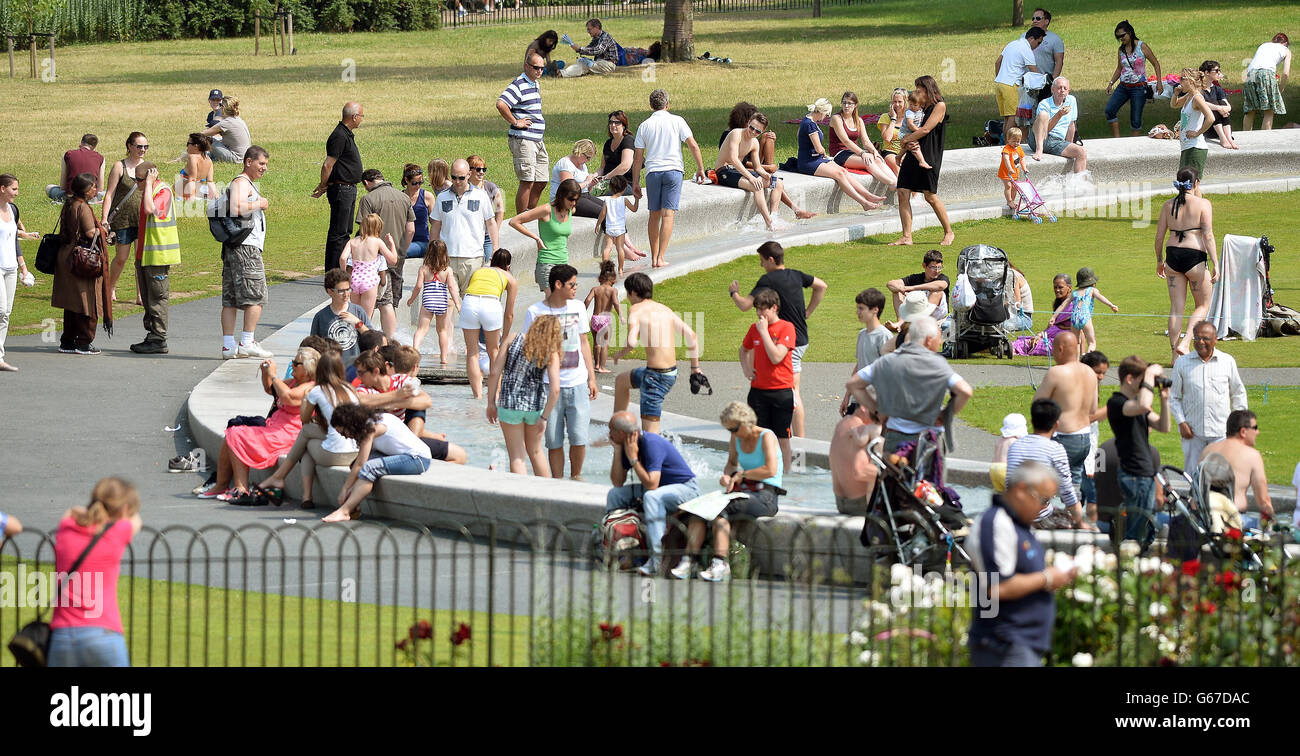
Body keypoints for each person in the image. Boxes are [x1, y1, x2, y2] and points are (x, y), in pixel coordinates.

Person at [967, 460, 1078, 667]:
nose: (1045, 507)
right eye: (1043, 499)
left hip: (1021, 643)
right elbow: (997, 588)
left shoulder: (1020, 526)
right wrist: (1047, 578)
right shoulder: (996, 523)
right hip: (1004, 644)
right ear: (1020, 490)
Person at [672, 401, 782, 582]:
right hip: (744, 491)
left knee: (721, 511)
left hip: (765, 495)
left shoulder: (766, 436)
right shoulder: (736, 438)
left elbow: (770, 469)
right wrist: (728, 476)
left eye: (735, 429)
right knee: (700, 511)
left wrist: (742, 475)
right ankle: (689, 561)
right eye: (729, 430)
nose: (733, 433)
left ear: (746, 422)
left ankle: (720, 563)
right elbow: (731, 463)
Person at [729, 241, 825, 439]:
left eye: (762, 261)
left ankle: (799, 440)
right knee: (790, 388)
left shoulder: (768, 280)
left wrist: (734, 293)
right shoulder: (796, 275)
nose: (761, 265)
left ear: (771, 260)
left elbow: (745, 305)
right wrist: (807, 312)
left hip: (786, 340)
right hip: (800, 337)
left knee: (792, 391)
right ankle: (787, 433)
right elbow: (821, 286)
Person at [47, 477, 143, 667]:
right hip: (103, 632)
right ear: (124, 509)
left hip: (63, 637)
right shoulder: (117, 532)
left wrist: (94, 509)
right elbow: (136, 520)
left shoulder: (67, 528)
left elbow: (72, 511)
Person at [202, 348, 318, 503]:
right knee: (232, 431)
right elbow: (271, 389)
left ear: (309, 369)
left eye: (296, 363)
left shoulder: (310, 387)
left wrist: (273, 375)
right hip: (275, 429)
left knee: (237, 434)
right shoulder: (293, 382)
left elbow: (288, 397)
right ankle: (222, 485)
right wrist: (265, 373)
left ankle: (241, 489)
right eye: (292, 361)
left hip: (288, 435)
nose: (292, 365)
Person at [847, 316, 973, 454]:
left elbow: (854, 384)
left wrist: (877, 409)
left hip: (895, 435)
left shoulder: (888, 361)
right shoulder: (937, 364)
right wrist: (945, 414)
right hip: (929, 439)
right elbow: (965, 391)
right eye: (939, 338)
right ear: (928, 340)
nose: (940, 342)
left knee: (892, 467)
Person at [255, 350, 362, 510]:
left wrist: (306, 397)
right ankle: (300, 495)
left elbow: (304, 419)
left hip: (335, 455)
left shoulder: (317, 390)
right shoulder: (349, 389)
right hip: (355, 453)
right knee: (309, 439)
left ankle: (286, 482)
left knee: (306, 436)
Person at [524, 264, 598, 480]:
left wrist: (592, 378)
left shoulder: (578, 307)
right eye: (572, 284)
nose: (576, 288)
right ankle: (557, 482)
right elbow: (528, 349)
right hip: (548, 386)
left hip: (577, 383)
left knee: (579, 437)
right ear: (558, 284)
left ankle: (576, 477)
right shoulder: (535, 311)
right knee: (553, 441)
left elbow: (584, 343)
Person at [605, 411, 702, 576]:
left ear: (621, 433)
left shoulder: (651, 443)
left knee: (651, 497)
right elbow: (618, 481)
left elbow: (652, 484)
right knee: (615, 494)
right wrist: (618, 450)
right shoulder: (626, 444)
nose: (608, 435)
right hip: (660, 489)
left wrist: (633, 459)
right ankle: (618, 549)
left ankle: (658, 560)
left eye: (611, 430)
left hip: (685, 488)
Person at [611, 272, 701, 434]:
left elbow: (632, 342)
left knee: (651, 437)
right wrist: (695, 369)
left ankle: (651, 446)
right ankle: (617, 429)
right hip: (669, 373)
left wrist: (619, 354)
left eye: (628, 294)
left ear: (633, 292)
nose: (628, 298)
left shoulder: (635, 309)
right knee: (621, 381)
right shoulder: (665, 309)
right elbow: (692, 336)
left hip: (655, 378)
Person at [322, 404, 435, 523]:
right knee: (354, 465)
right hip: (402, 455)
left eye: (344, 433)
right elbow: (358, 462)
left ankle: (344, 511)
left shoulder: (370, 428)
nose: (346, 437)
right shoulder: (371, 420)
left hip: (418, 459)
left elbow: (361, 464)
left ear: (350, 425)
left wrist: (344, 489)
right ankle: (354, 505)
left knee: (369, 468)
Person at [632, 89, 706, 268]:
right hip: (673, 171)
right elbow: (693, 145)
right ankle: (661, 257)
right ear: (667, 104)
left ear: (651, 105)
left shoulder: (644, 125)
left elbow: (638, 158)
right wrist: (700, 168)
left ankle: (653, 257)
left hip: (653, 172)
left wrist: (635, 182)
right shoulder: (677, 120)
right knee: (668, 215)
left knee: (654, 216)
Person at [1107, 355, 1172, 546]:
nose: (1146, 384)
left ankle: (1134, 556)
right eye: (1142, 380)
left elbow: (1164, 426)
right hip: (1134, 473)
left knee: (1144, 530)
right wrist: (1150, 373)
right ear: (1129, 379)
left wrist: (1164, 399)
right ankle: (1129, 558)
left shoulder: (1137, 405)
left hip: (1145, 473)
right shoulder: (1117, 403)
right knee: (1135, 533)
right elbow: (1143, 405)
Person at [1154, 168, 1218, 363]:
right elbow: (1207, 235)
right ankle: (1186, 341)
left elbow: (1159, 237)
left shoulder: (1168, 205)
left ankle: (1175, 355)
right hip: (1194, 256)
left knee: (1176, 308)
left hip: (1172, 255)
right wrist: (1216, 263)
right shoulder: (1203, 204)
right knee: (1203, 305)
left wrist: (1159, 260)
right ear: (1196, 183)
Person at [486, 314, 561, 477]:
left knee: (517, 457)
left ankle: (521, 491)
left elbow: (494, 373)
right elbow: (555, 389)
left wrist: (491, 402)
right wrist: (544, 417)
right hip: (535, 406)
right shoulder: (550, 351)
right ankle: (548, 491)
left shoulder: (513, 338)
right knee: (536, 452)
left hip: (509, 404)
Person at [1033, 332, 1101, 509]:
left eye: (1053, 349)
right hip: (1084, 438)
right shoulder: (1090, 372)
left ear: (1061, 349)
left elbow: (1037, 404)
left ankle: (1038, 515)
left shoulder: (1056, 372)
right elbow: (1093, 409)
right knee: (1073, 483)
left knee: (1042, 478)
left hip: (1063, 437)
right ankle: (1073, 516)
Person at [1171, 321, 1247, 476]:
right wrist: (1181, 422)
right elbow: (1173, 397)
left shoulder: (1227, 361)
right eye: (1197, 338)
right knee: (1193, 478)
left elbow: (1238, 393)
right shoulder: (1182, 363)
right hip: (1193, 433)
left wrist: (1238, 425)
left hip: (1221, 433)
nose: (1200, 342)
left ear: (1215, 339)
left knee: (1221, 478)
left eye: (1205, 338)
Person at [220, 146, 272, 360]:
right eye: (261, 163)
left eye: (266, 164)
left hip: (235, 248)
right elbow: (236, 208)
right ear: (248, 161)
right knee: (256, 296)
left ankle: (228, 346)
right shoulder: (241, 182)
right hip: (246, 248)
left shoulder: (243, 183)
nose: (264, 168)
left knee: (231, 298)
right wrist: (260, 203)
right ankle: (247, 342)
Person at [890, 76, 955, 247]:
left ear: (928, 89)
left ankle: (949, 232)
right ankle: (906, 236)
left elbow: (926, 129)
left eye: (919, 89)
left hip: (929, 154)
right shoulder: (918, 107)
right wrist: (903, 150)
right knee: (902, 191)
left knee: (930, 196)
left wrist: (906, 139)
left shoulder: (939, 106)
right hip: (913, 151)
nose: (916, 92)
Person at [51, 173, 110, 356]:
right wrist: (104, 230)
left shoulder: (69, 203)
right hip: (81, 259)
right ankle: (84, 342)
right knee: (87, 301)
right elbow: (91, 233)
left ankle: (68, 341)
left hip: (66, 256)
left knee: (72, 303)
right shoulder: (82, 207)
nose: (96, 190)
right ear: (85, 190)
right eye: (93, 187)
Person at [1006, 398, 1087, 529]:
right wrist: (1081, 523)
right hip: (1038, 517)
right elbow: (1067, 491)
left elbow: (1008, 483)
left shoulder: (1015, 445)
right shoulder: (1055, 449)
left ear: (1032, 422)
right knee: (1067, 519)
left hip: (1012, 513)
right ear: (1056, 424)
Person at [740, 287, 796, 471]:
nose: (759, 313)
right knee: (757, 435)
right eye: (757, 309)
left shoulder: (786, 328)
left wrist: (764, 332)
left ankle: (785, 474)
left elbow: (776, 357)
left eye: (762, 309)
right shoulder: (753, 329)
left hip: (781, 391)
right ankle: (760, 471)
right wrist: (747, 369)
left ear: (774, 308)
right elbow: (743, 350)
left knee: (782, 438)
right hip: (758, 391)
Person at [794, 98, 885, 212]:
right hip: (809, 162)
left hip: (816, 158)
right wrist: (823, 152)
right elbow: (819, 148)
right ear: (822, 111)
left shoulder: (807, 119)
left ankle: (868, 195)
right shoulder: (810, 125)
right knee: (839, 174)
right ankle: (864, 202)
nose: (825, 117)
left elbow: (799, 136)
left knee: (844, 171)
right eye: (826, 115)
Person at [356, 168, 415, 338]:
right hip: (397, 256)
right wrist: (401, 251)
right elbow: (411, 229)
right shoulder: (404, 197)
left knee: (371, 302)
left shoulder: (368, 199)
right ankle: (390, 339)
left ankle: (365, 338)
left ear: (366, 183)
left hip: (373, 259)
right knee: (391, 301)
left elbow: (363, 230)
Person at [127, 162, 178, 355]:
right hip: (146, 254)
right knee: (148, 299)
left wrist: (148, 183)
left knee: (157, 298)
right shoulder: (148, 191)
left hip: (158, 255)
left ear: (151, 177)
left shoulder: (162, 191)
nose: (137, 184)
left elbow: (150, 209)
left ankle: (159, 339)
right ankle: (152, 335)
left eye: (139, 180)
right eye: (135, 179)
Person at [431, 158, 499, 297]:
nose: (457, 181)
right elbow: (436, 225)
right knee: (449, 302)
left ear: (469, 174)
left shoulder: (481, 196)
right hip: (447, 258)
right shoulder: (442, 197)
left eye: (461, 178)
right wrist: (432, 252)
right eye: (454, 177)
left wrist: (495, 248)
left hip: (473, 257)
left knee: (470, 300)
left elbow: (491, 223)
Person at [459, 249, 519, 399]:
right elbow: (509, 314)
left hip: (469, 302)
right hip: (490, 304)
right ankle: (495, 395)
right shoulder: (510, 278)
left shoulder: (479, 271)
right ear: (508, 266)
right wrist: (505, 339)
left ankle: (477, 396)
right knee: (494, 352)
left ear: (492, 262)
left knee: (472, 352)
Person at [312, 102, 364, 273]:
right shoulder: (340, 136)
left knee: (345, 231)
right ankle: (333, 272)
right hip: (342, 189)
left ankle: (340, 269)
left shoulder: (345, 134)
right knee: (338, 233)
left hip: (348, 188)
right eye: (361, 116)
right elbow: (327, 165)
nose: (362, 119)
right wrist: (323, 185)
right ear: (354, 117)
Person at [714, 110, 788, 230]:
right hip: (723, 171)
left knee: (777, 182)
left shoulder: (754, 143)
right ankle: (769, 223)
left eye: (757, 131)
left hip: (737, 171)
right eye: (751, 128)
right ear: (748, 123)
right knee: (756, 185)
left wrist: (766, 175)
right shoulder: (736, 133)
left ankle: (774, 217)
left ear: (762, 131)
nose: (753, 132)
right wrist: (751, 177)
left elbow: (757, 167)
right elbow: (733, 159)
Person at [1200, 410, 1275, 529]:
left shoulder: (1208, 450)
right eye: (1255, 428)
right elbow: (1263, 501)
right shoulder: (1252, 455)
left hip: (1202, 519)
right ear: (1243, 431)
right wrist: (1274, 525)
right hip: (1233, 520)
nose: (1258, 432)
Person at [498, 51, 548, 214]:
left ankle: (529, 214)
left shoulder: (534, 83)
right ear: (526, 66)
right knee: (527, 181)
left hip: (537, 140)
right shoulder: (519, 84)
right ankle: (520, 219)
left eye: (542, 68)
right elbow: (501, 104)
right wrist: (515, 122)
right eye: (536, 68)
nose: (539, 71)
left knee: (541, 180)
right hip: (524, 140)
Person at [511, 176, 579, 293]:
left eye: (576, 200)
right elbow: (514, 221)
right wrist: (536, 238)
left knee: (564, 300)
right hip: (547, 263)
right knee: (553, 300)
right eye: (571, 199)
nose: (573, 203)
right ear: (561, 195)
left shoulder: (571, 211)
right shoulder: (547, 210)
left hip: (563, 262)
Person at [101, 132, 146, 304]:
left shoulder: (148, 167)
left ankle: (140, 294)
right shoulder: (119, 166)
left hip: (142, 219)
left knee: (141, 260)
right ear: (129, 146)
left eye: (146, 146)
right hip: (123, 220)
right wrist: (104, 218)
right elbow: (109, 194)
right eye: (139, 146)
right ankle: (110, 287)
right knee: (121, 258)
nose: (143, 150)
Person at [0, 174, 38, 371]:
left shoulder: (13, 209)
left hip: (11, 268)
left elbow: (14, 240)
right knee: (0, 311)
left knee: (6, 313)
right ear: (2, 188)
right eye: (14, 189)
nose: (17, 193)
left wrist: (23, 267)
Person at [340, 213, 399, 328]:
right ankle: (366, 338)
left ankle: (356, 337)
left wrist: (344, 274)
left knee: (356, 318)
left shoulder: (352, 241)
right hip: (369, 281)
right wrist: (392, 244)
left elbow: (343, 258)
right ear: (378, 227)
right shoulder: (377, 241)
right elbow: (393, 260)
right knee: (366, 320)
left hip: (354, 280)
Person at [311, 269, 371, 381]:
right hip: (331, 372)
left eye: (348, 289)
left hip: (355, 371)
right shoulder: (321, 317)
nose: (346, 294)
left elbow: (372, 339)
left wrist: (358, 323)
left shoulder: (358, 311)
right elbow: (313, 348)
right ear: (330, 291)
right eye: (341, 291)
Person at [827, 91, 897, 187]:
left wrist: (874, 151)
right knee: (868, 161)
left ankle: (896, 182)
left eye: (849, 103)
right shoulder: (836, 118)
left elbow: (866, 141)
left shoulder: (858, 120)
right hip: (839, 153)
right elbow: (846, 141)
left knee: (877, 159)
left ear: (855, 105)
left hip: (852, 152)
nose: (846, 106)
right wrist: (862, 153)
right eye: (844, 103)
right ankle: (891, 183)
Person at [1105, 20, 1162, 138]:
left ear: (1130, 33)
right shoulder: (1121, 50)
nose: (1121, 38)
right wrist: (1111, 83)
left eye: (1122, 35)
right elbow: (1119, 68)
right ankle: (1117, 140)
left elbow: (1156, 63)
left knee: (1136, 119)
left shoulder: (1142, 46)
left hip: (1139, 88)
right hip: (1123, 86)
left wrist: (1159, 82)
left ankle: (1133, 143)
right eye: (1118, 37)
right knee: (1110, 110)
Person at [838, 288, 890, 416]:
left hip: (875, 400)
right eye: (858, 308)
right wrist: (847, 396)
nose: (858, 312)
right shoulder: (862, 334)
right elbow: (859, 365)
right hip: (858, 397)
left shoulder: (883, 336)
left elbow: (889, 370)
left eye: (861, 308)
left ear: (875, 310)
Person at [409, 240, 461, 362]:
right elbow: (451, 287)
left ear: (428, 252)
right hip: (441, 303)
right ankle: (444, 358)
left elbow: (418, 286)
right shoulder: (447, 270)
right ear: (445, 253)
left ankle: (414, 352)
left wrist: (412, 299)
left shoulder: (423, 269)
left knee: (421, 330)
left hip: (428, 302)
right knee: (442, 331)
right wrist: (457, 303)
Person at [830, 398, 881, 515]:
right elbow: (860, 471)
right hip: (859, 504)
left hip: (840, 502)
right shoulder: (861, 429)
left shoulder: (842, 424)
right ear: (864, 407)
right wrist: (889, 473)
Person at [1028, 77, 1087, 173]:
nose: (1062, 90)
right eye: (1059, 88)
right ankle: (1039, 149)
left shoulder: (1071, 101)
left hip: (1056, 141)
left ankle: (1079, 181)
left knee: (1081, 152)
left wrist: (1069, 144)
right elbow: (1045, 131)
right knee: (1043, 114)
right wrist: (1059, 114)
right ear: (1052, 90)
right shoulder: (1044, 104)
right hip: (1038, 138)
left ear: (1068, 91)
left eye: (1065, 88)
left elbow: (1071, 125)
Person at [994, 26, 1044, 138]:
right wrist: (1045, 83)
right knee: (1013, 119)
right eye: (1038, 42)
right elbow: (1034, 71)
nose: (1038, 46)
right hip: (1011, 85)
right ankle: (1009, 145)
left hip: (999, 84)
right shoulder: (1026, 50)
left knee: (1007, 119)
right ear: (1031, 39)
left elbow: (997, 63)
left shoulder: (1011, 44)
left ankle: (1005, 144)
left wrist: (1001, 78)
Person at [1171, 69, 1216, 183]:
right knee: (1184, 184)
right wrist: (1175, 94)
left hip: (1195, 148)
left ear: (1190, 81)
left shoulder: (1197, 98)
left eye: (1182, 79)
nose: (1179, 81)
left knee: (1191, 185)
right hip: (1187, 147)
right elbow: (1174, 104)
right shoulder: (1189, 96)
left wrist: (1197, 133)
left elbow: (1210, 118)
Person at [886, 249, 949, 329]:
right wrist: (901, 289)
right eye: (933, 267)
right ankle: (901, 323)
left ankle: (916, 324)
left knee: (936, 292)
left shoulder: (942, 278)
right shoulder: (915, 278)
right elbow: (890, 284)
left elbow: (941, 286)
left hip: (936, 313)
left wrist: (911, 288)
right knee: (897, 291)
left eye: (939, 267)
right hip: (917, 309)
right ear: (924, 265)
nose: (937, 271)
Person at [1242, 33, 1291, 131]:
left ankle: (1245, 137)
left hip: (1250, 74)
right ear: (1285, 43)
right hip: (1266, 73)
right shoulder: (1286, 50)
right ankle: (1265, 138)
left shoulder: (1263, 45)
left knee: (1250, 109)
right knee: (1269, 110)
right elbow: (1286, 73)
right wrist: (1281, 89)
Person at [595, 174, 641, 275]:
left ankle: (605, 269)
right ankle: (620, 269)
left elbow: (602, 214)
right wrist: (637, 199)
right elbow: (634, 209)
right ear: (624, 188)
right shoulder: (624, 200)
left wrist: (597, 224)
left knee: (608, 248)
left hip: (609, 228)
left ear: (610, 188)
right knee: (620, 248)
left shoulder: (607, 200)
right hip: (620, 229)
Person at [1067, 266, 1117, 356]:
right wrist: (1111, 305)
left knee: (1076, 342)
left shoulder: (1075, 292)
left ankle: (1076, 361)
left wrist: (1054, 316)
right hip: (1085, 317)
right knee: (1092, 343)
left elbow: (1064, 304)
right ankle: (1089, 359)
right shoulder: (1092, 290)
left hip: (1074, 318)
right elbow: (1101, 297)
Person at [549, 139, 603, 217]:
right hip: (568, 200)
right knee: (602, 212)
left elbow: (586, 189)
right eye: (588, 157)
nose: (588, 160)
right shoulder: (566, 164)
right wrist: (587, 182)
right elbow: (569, 190)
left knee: (609, 208)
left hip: (583, 195)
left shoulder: (582, 165)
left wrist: (591, 184)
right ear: (580, 153)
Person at [467, 154, 505, 263]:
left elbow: (500, 209)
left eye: (484, 169)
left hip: (487, 236)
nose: (481, 172)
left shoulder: (490, 187)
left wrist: (495, 230)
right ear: (469, 171)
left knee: (489, 263)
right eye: (478, 169)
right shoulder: (463, 188)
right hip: (470, 235)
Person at [1022, 8, 1065, 102]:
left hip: (1045, 83)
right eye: (1033, 18)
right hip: (1027, 81)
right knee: (1026, 108)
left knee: (1043, 107)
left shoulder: (1055, 39)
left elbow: (1059, 61)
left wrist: (1053, 81)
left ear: (1046, 21)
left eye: (1038, 18)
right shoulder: (1025, 36)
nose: (1034, 21)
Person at [46, 134, 104, 203]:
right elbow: (100, 188)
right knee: (107, 192)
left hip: (71, 197)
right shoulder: (100, 158)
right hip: (91, 197)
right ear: (95, 147)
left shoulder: (67, 154)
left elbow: (63, 186)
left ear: (81, 143)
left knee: (49, 188)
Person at [584, 260, 618, 372]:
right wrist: (621, 315)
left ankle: (597, 365)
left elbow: (587, 300)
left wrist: (583, 311)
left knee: (596, 343)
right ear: (613, 280)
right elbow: (616, 303)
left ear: (599, 279)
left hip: (595, 319)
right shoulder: (613, 290)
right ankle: (602, 367)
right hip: (605, 319)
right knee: (604, 344)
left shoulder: (595, 289)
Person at [1199, 61, 1240, 149]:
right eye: (1217, 71)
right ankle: (1223, 139)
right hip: (1206, 127)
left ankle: (1229, 138)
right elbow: (1201, 103)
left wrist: (1222, 108)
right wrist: (1218, 108)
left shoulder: (1217, 89)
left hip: (1221, 127)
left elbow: (1228, 106)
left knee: (1221, 104)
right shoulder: (1199, 89)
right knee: (1215, 106)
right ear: (1207, 72)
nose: (1219, 73)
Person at [202, 96, 251, 163]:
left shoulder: (226, 122)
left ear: (223, 107)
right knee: (217, 139)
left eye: (220, 105)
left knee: (207, 139)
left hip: (236, 158)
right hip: (244, 157)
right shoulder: (238, 119)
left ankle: (199, 156)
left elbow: (203, 134)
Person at [600, 110, 637, 195]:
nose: (613, 125)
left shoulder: (628, 140)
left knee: (596, 194)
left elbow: (625, 166)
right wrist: (594, 176)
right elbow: (602, 168)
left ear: (623, 125)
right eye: (611, 122)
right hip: (608, 183)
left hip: (625, 184)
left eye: (617, 123)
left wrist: (606, 178)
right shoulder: (608, 143)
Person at [402, 163, 435, 259]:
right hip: (403, 240)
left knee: (400, 251)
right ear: (406, 180)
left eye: (420, 182)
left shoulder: (427, 196)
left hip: (422, 241)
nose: (418, 186)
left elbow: (435, 223)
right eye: (414, 183)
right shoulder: (400, 197)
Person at [899, 91, 934, 170]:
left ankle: (898, 156)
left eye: (915, 105)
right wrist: (918, 131)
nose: (912, 107)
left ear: (920, 105)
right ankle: (921, 161)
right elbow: (910, 125)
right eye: (910, 104)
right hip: (905, 132)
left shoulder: (920, 110)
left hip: (911, 132)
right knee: (914, 145)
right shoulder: (910, 112)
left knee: (907, 146)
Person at [877, 88, 908, 174]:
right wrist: (893, 118)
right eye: (894, 101)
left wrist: (904, 154)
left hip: (906, 151)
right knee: (897, 167)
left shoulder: (909, 118)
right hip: (890, 151)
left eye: (900, 102)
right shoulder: (885, 117)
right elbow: (887, 138)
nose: (897, 104)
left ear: (905, 102)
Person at [998, 127, 1027, 210]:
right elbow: (1006, 159)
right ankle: (1009, 201)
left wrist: (1024, 168)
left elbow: (1022, 159)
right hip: (1006, 172)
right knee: (1008, 186)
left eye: (1018, 141)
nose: (1016, 143)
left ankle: (1012, 201)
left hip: (1015, 172)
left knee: (1015, 187)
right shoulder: (1006, 149)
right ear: (1008, 139)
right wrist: (1010, 169)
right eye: (1014, 141)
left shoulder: (1019, 148)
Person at [179, 134, 215, 201]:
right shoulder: (209, 160)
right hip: (196, 193)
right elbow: (210, 181)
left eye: (188, 143)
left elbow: (192, 180)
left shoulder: (193, 157)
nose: (187, 146)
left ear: (196, 146)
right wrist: (215, 197)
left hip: (181, 193)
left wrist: (191, 200)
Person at [1003, 260, 1034, 332]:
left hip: (1024, 317)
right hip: (1011, 315)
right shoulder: (1007, 275)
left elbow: (1016, 303)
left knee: (998, 325)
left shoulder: (1012, 276)